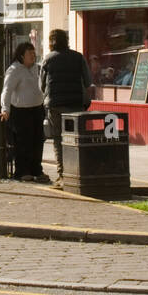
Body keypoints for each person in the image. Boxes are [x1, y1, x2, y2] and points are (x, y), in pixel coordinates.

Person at [40, 28, 93, 182]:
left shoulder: (48, 59)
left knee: (58, 138)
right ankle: (76, 171)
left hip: (55, 105)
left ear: (51, 42)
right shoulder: (78, 57)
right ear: (66, 40)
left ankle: (62, 174)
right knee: (75, 138)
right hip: (75, 105)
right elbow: (88, 81)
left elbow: (41, 86)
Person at [0, 41, 48, 182]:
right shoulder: (14, 70)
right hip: (21, 112)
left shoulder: (37, 69)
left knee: (38, 141)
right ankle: (22, 171)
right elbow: (7, 91)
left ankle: (37, 170)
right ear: (21, 56)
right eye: (30, 53)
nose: (33, 56)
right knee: (23, 143)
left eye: (34, 53)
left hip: (37, 109)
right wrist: (5, 109)